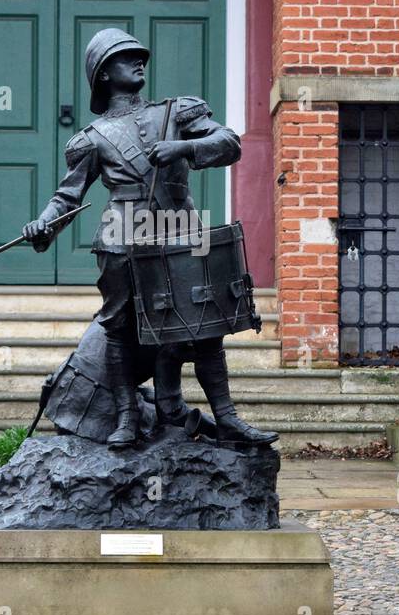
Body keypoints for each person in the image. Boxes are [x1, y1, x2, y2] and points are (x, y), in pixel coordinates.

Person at [22, 28, 277, 449]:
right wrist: (43, 225)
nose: (140, 61)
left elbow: (228, 143)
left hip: (180, 232)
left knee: (205, 324)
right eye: (126, 57)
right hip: (122, 236)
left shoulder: (177, 112)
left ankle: (227, 418)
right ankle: (126, 418)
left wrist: (181, 150)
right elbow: (67, 196)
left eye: (140, 55)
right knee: (121, 329)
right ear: (103, 74)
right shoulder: (90, 138)